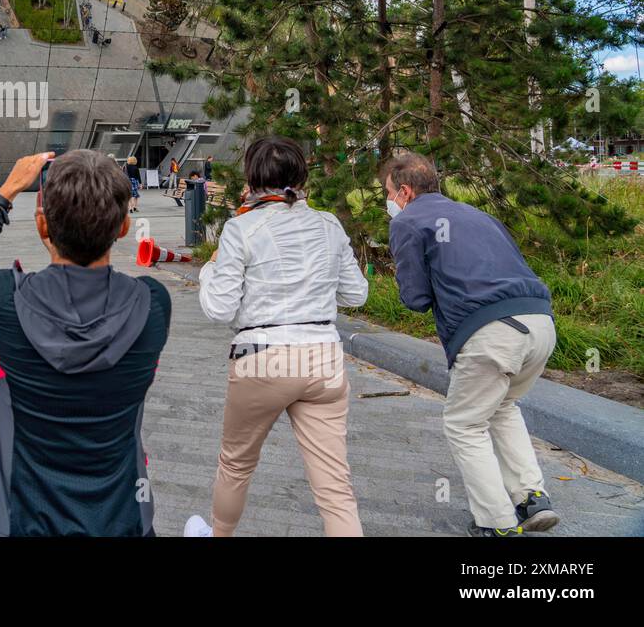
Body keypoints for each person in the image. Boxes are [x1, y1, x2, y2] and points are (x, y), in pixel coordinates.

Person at [0, 150, 172, 536]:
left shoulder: (4, 300)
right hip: (118, 516)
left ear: (42, 226)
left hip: (16, 517)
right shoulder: (152, 304)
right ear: (123, 228)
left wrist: (5, 193)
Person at [187, 136, 367, 538]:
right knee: (336, 486)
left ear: (251, 179)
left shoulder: (240, 228)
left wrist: (208, 270)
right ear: (301, 176)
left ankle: (219, 535)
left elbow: (219, 308)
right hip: (323, 358)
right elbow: (356, 293)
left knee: (236, 464)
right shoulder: (329, 225)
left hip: (262, 356)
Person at [383, 152, 559, 536]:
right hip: (539, 321)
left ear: (406, 191)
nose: (389, 201)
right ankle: (532, 497)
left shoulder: (409, 220)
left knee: (464, 424)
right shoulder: (478, 215)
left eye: (389, 193)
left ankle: (495, 522)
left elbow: (415, 299)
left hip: (492, 332)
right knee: (502, 405)